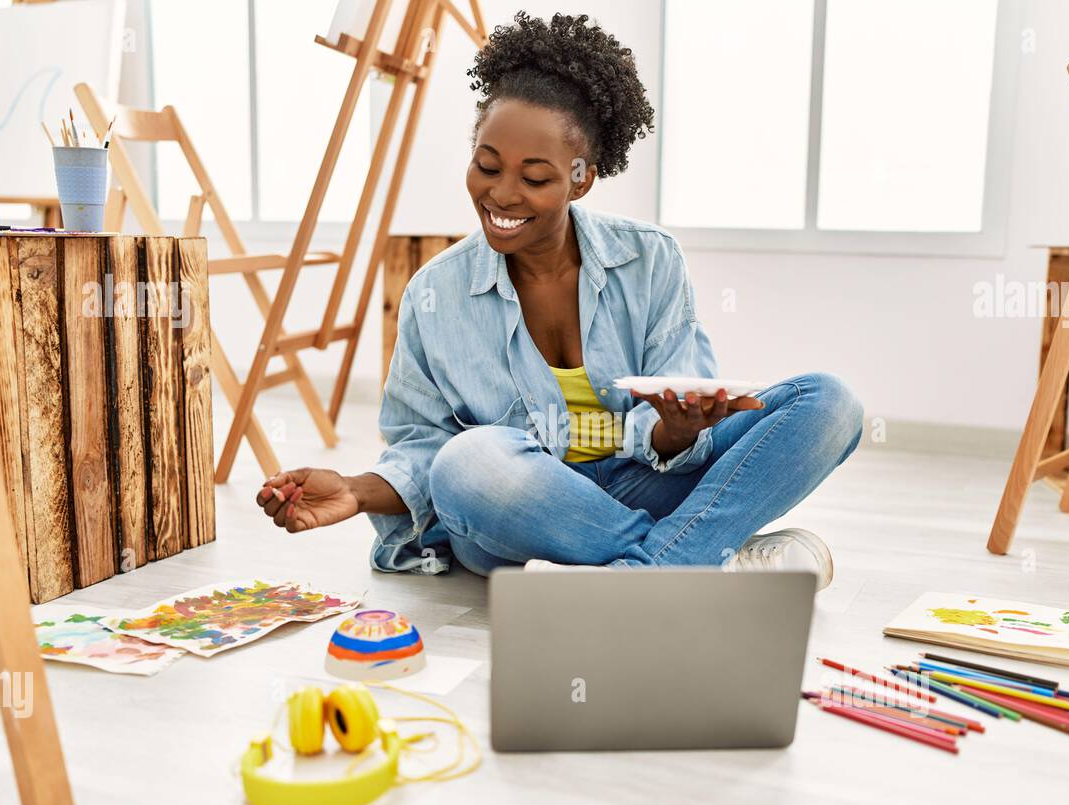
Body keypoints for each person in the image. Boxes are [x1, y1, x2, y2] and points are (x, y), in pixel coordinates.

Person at [255, 12, 862, 584]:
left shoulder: (649, 259)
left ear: (581, 177)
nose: (502, 195)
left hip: (644, 477)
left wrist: (674, 432)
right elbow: (425, 449)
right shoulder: (434, 293)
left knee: (829, 401)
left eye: (535, 177)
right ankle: (699, 558)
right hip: (523, 505)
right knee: (468, 463)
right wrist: (358, 489)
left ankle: (641, 575)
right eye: (486, 166)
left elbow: (679, 410)